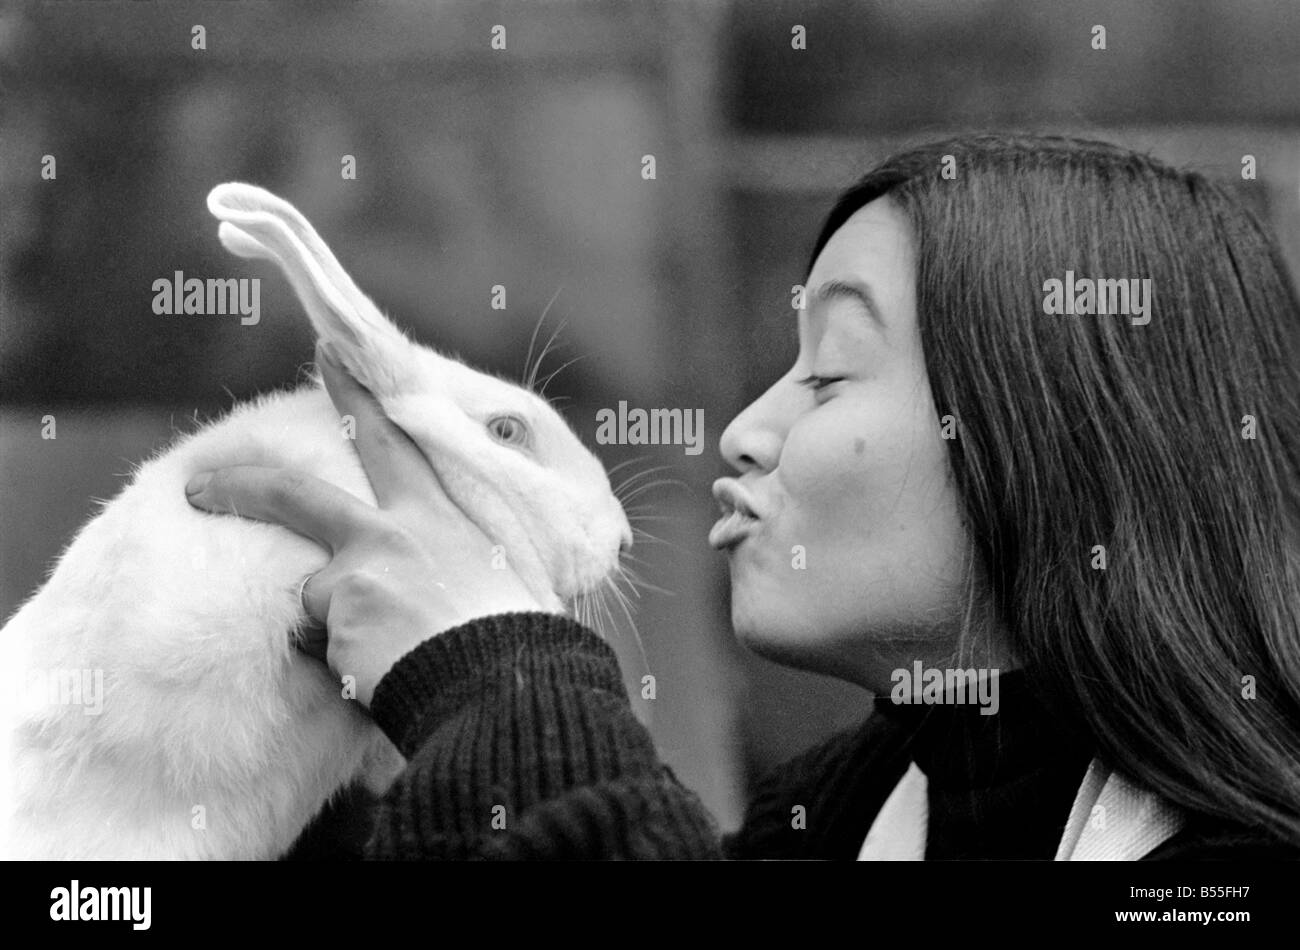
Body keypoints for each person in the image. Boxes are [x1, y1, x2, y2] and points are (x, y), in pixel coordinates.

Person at [185, 133, 1300, 860]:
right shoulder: (836, 818)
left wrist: (495, 675)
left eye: (829, 370)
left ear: (1062, 427)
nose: (745, 430)